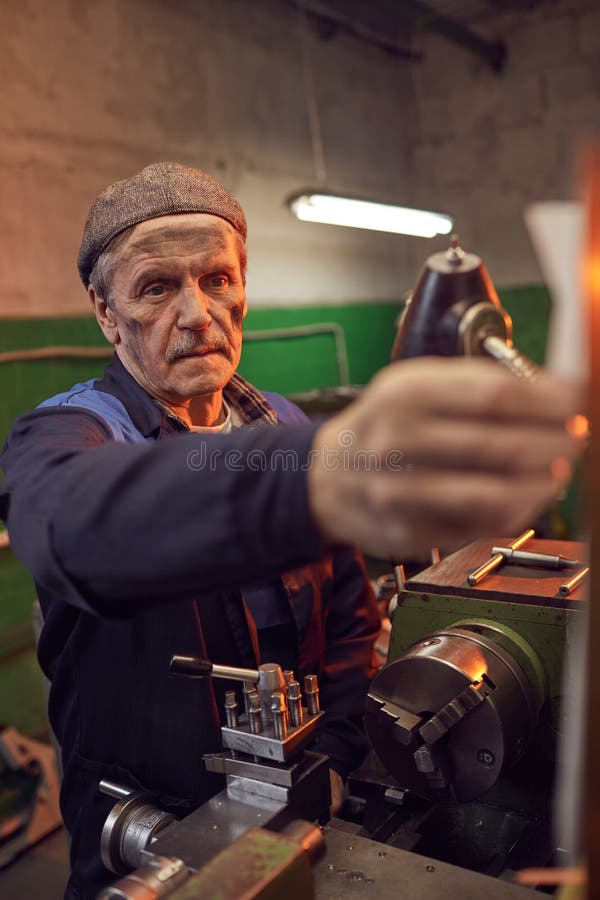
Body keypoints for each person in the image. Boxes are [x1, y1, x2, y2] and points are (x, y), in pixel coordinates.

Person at [0, 162, 584, 899]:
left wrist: (338, 755)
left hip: (304, 814)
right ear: (106, 312)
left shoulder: (281, 422)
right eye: (157, 288)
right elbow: (70, 524)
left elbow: (348, 616)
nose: (196, 313)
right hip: (144, 836)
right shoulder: (64, 433)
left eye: (217, 280)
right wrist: (320, 475)